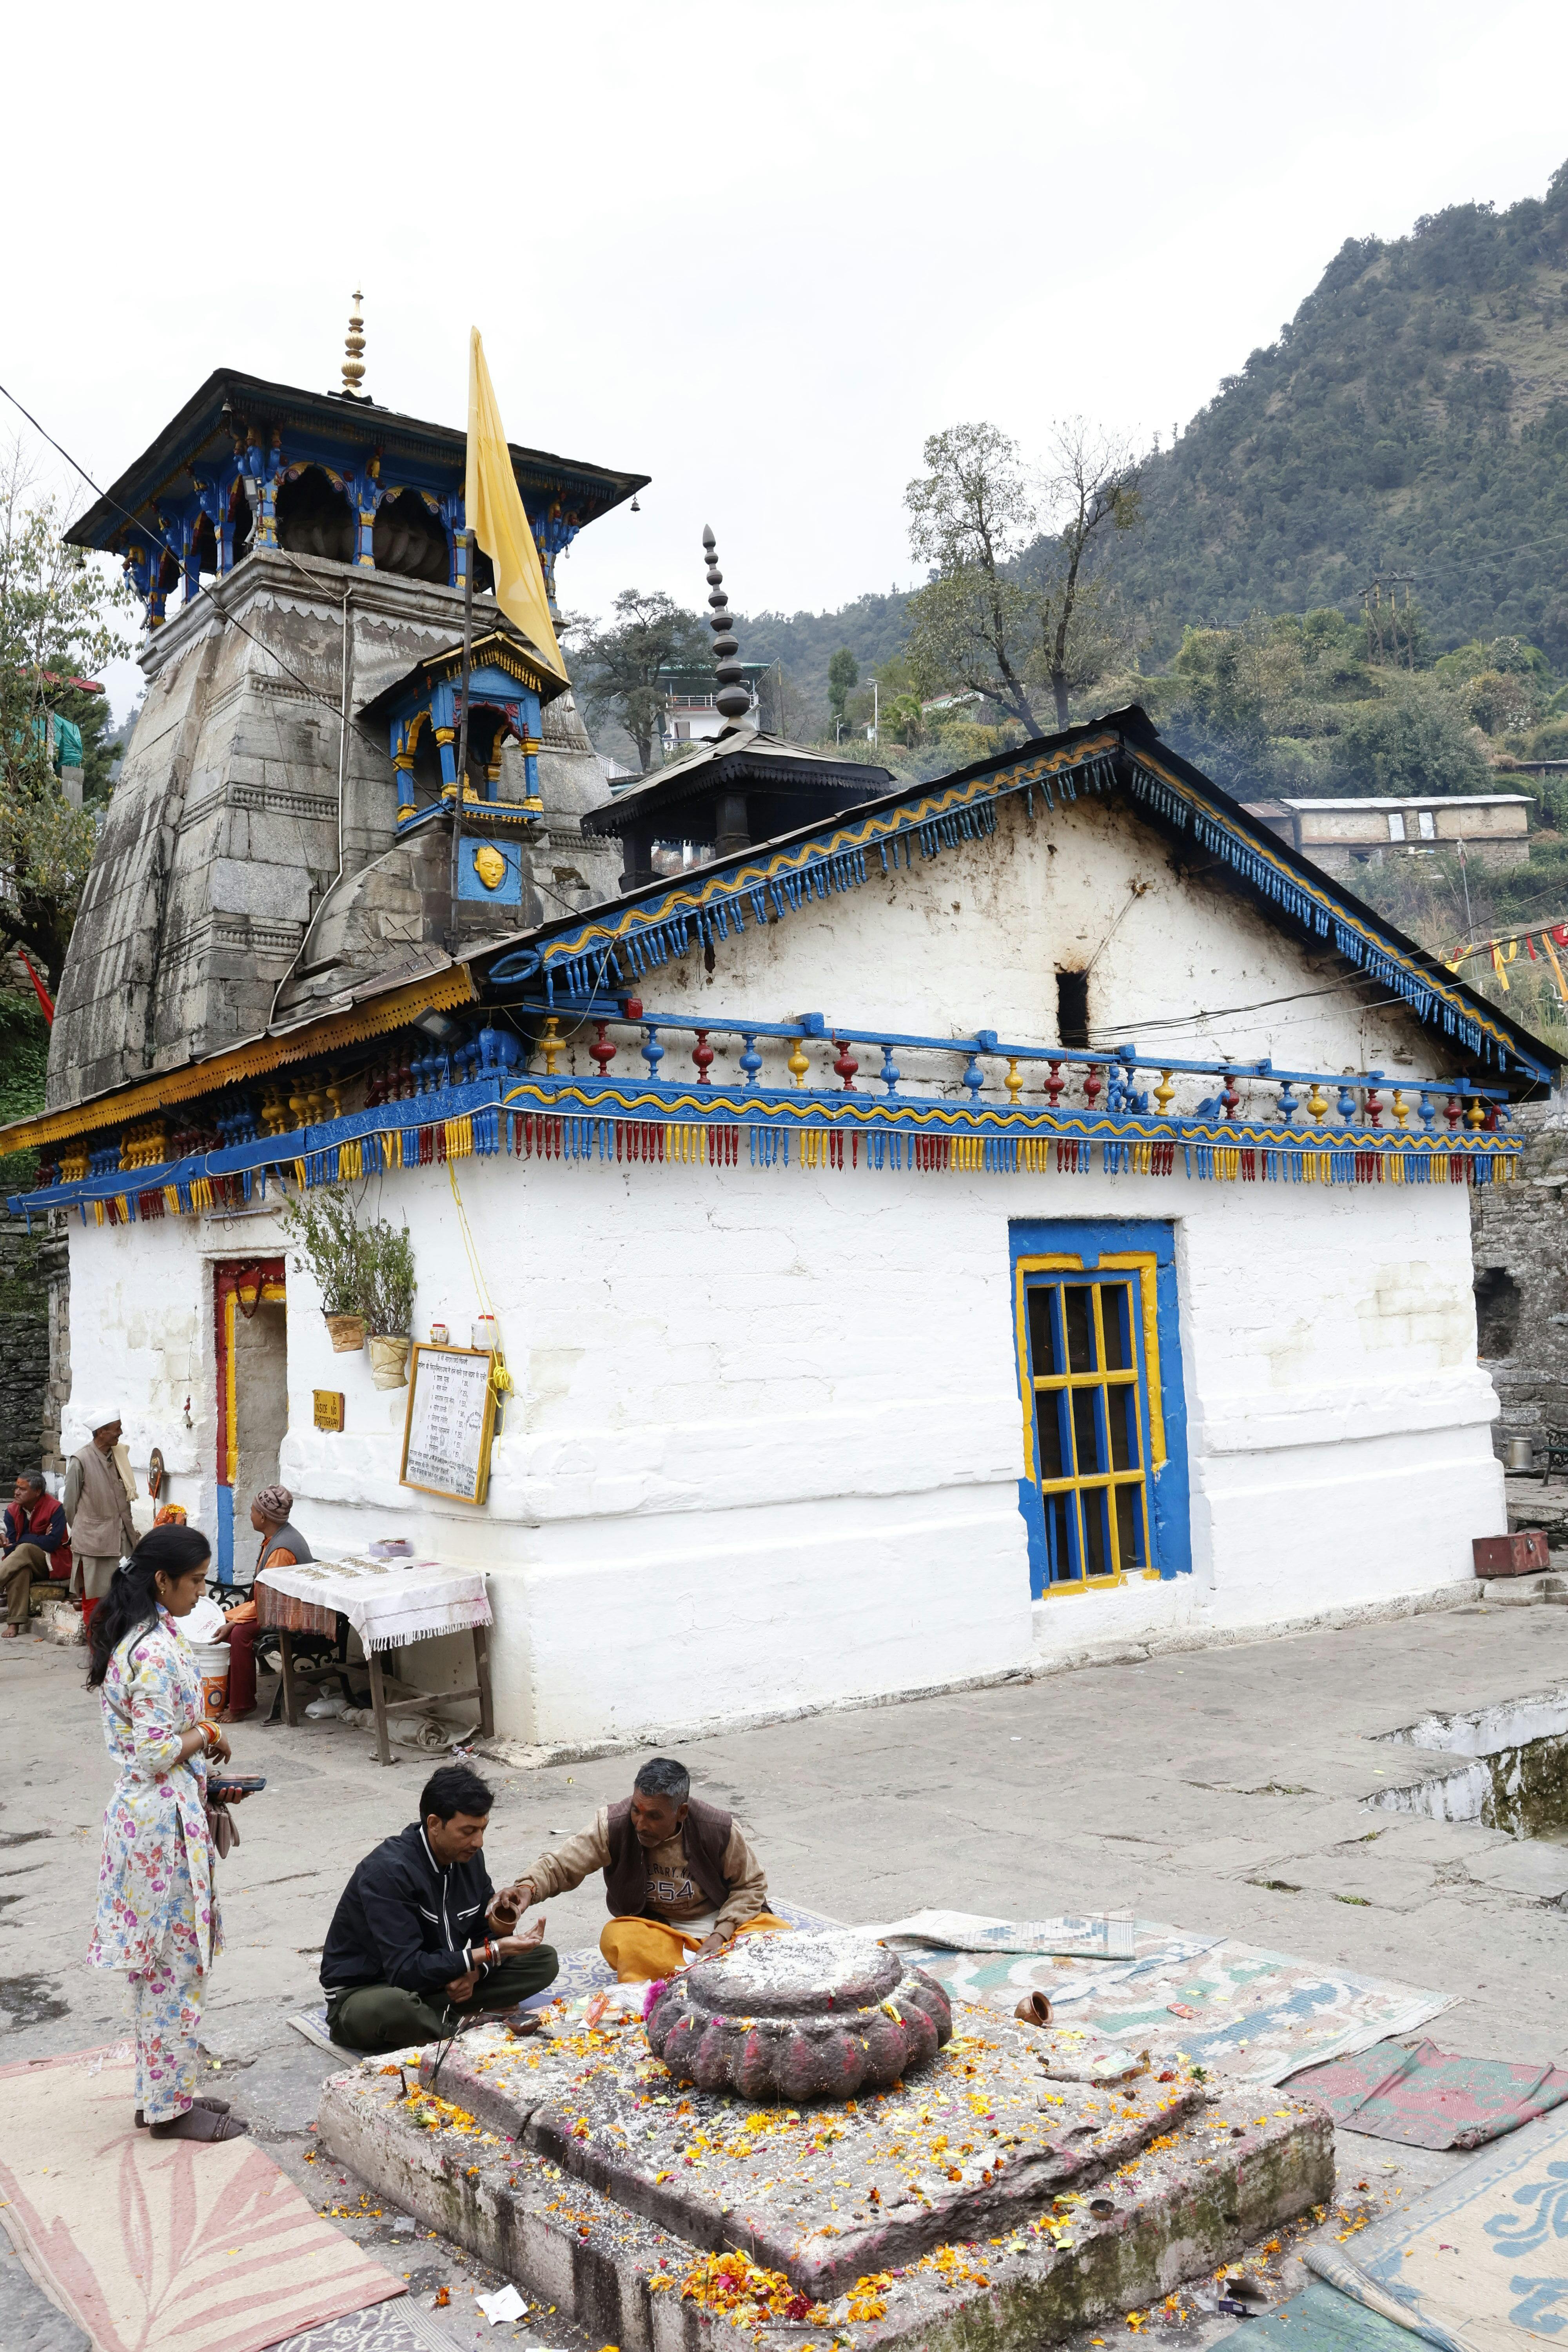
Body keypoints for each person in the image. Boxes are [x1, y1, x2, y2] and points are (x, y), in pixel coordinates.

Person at [85, 1523, 249, 2141]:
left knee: (172, 1967)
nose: (202, 1592)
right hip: (158, 1828)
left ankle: (163, 2091)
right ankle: (169, 2109)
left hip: (162, 1814)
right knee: (171, 1969)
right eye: (197, 1581)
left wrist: (204, 1777)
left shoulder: (154, 1633)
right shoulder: (151, 1649)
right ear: (163, 1580)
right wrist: (207, 1735)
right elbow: (156, 1751)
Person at [320, 1764, 559, 2054]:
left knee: (543, 1960)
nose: (478, 1842)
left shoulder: (469, 1858)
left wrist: (476, 1972)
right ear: (434, 1824)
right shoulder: (388, 1872)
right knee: (395, 2008)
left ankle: (441, 2021)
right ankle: (466, 2032)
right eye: (468, 1831)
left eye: (483, 1829)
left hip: (438, 1985)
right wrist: (489, 1954)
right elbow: (405, 1970)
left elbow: (483, 1931)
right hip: (373, 1991)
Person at [496, 1757, 791, 1984]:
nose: (640, 1823)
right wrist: (527, 1889)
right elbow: (562, 1864)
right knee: (619, 1938)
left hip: (722, 1924)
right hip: (662, 1931)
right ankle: (716, 1970)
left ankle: (697, 1966)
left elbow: (751, 1886)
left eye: (654, 1816)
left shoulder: (718, 1828)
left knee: (779, 1935)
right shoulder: (613, 1824)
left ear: (682, 1812)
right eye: (637, 1810)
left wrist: (721, 1935)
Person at [64, 1407, 136, 1630]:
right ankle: (96, 1652)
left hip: (122, 1541)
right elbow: (70, 1506)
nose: (121, 1433)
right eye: (116, 1429)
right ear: (102, 1432)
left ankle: (117, 1649)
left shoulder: (118, 1455)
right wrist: (88, 1529)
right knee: (95, 1601)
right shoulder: (81, 1460)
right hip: (94, 1545)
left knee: (124, 1596)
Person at [2, 1470, 69, 1639]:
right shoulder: (11, 1511)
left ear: (37, 1491)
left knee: (24, 1549)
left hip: (51, 1563)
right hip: (22, 1561)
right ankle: (15, 1622)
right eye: (16, 1488)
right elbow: (10, 1549)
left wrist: (24, 1539)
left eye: (22, 1489)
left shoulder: (55, 1508)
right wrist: (38, 1538)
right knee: (20, 1570)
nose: (16, 1492)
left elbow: (52, 1544)